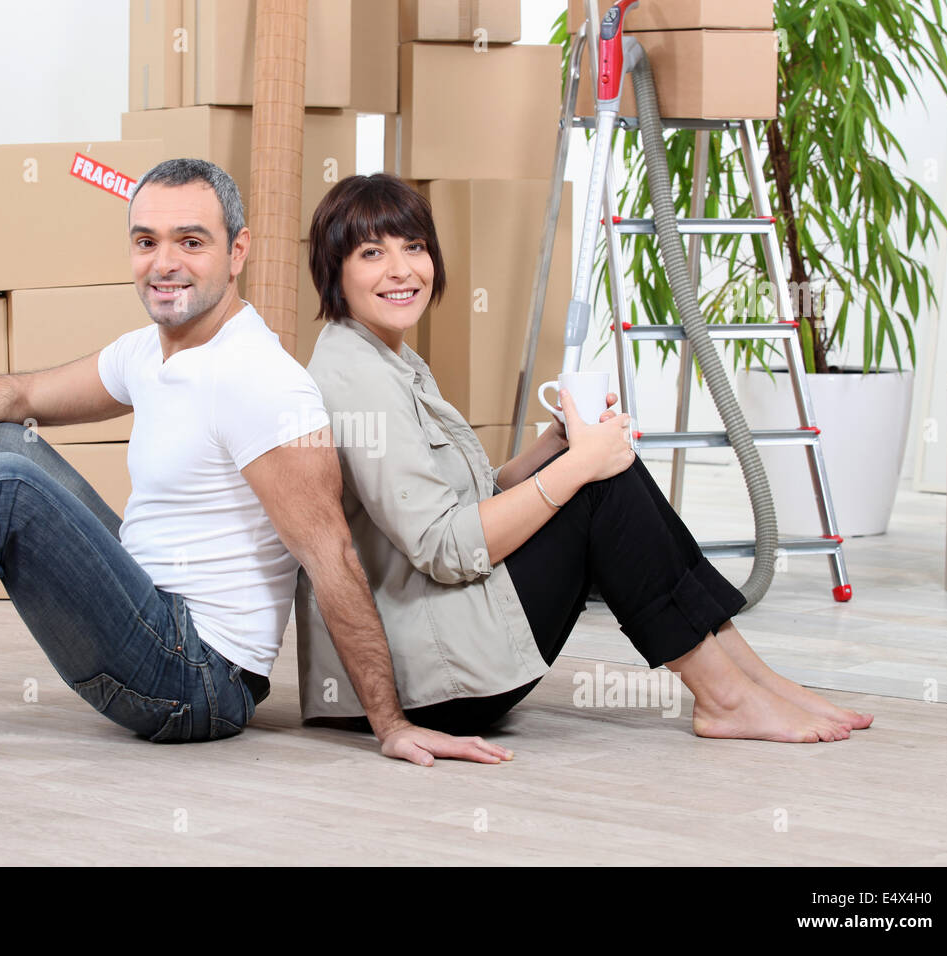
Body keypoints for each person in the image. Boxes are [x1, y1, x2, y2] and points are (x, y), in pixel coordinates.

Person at [0, 159, 512, 766]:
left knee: (8, 488)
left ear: (236, 253)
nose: (165, 262)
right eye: (147, 241)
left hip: (196, 682)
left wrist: (392, 723)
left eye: (190, 242)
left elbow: (331, 556)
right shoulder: (153, 351)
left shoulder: (263, 382)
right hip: (149, 623)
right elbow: (17, 392)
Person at [295, 173, 874, 743]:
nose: (402, 269)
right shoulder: (358, 378)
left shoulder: (387, 358)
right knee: (600, 483)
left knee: (601, 466)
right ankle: (726, 697)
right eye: (373, 253)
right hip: (432, 683)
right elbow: (445, 548)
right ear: (335, 271)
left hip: (444, 644)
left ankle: (752, 678)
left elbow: (470, 503)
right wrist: (580, 468)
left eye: (414, 247)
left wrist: (557, 447)